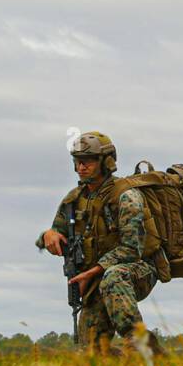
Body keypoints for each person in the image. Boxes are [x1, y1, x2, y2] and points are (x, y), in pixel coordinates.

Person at [37, 131, 160, 351]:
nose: (81, 167)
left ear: (106, 162)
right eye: (77, 161)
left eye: (88, 161)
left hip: (136, 271)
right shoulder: (73, 199)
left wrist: (92, 272)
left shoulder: (126, 196)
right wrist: (48, 235)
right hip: (94, 279)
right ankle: (152, 360)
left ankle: (137, 338)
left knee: (113, 276)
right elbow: (56, 232)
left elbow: (132, 249)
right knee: (92, 355)